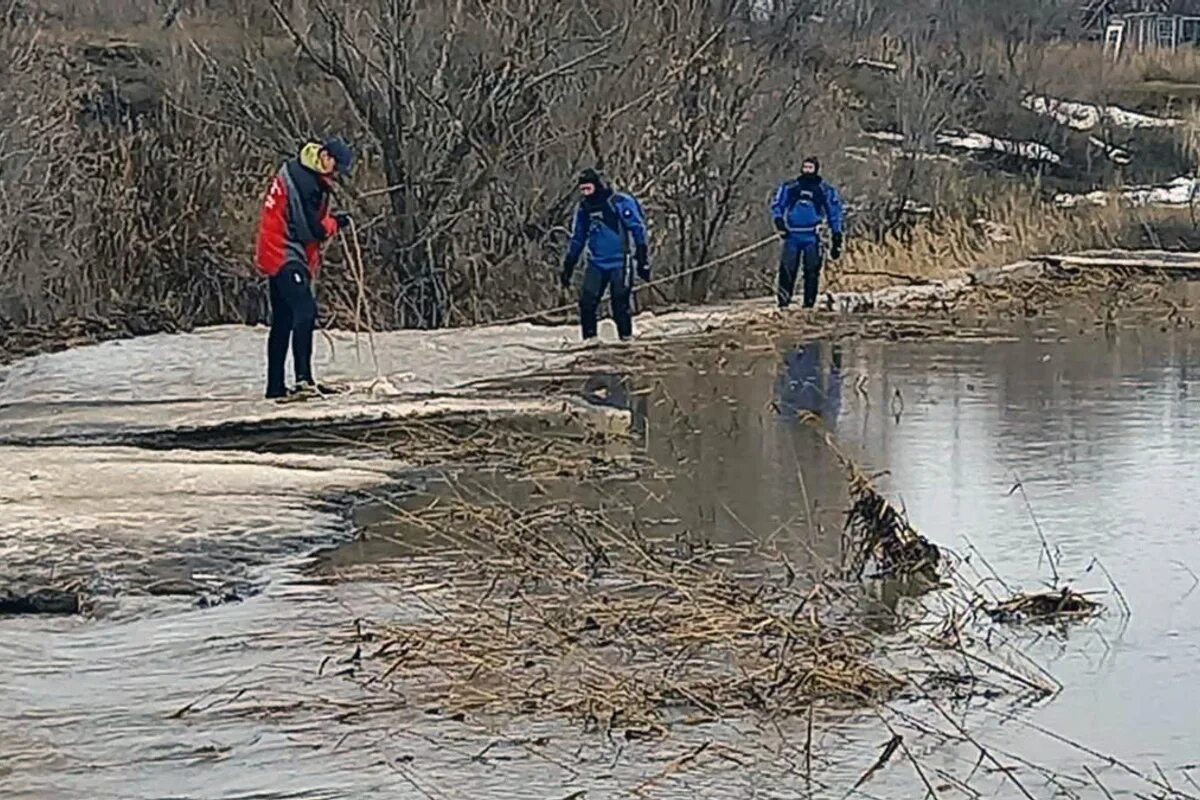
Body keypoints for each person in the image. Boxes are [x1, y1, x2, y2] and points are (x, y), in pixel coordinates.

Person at [254, 138, 354, 399]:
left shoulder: (301, 170)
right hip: (283, 253)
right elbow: (311, 229)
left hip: (274, 250)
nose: (335, 174)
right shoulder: (305, 181)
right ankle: (303, 379)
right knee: (305, 310)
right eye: (336, 167)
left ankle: (275, 386)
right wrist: (334, 224)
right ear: (326, 156)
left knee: (284, 319)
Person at [560, 169, 650, 342]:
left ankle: (626, 338)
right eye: (582, 190)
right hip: (596, 262)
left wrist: (642, 259)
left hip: (620, 261)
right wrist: (568, 265)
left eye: (588, 189)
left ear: (596, 186)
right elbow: (578, 238)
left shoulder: (618, 202)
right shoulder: (584, 209)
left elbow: (637, 228)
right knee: (587, 303)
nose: (586, 193)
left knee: (619, 302)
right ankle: (590, 341)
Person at [770, 156, 844, 309]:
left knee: (812, 270)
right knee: (787, 269)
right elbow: (778, 204)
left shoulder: (824, 190)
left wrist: (836, 237)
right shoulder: (791, 187)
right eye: (805, 167)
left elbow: (834, 213)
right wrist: (779, 222)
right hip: (792, 235)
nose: (807, 171)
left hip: (812, 236)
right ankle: (783, 302)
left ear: (816, 169)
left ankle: (809, 303)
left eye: (810, 168)